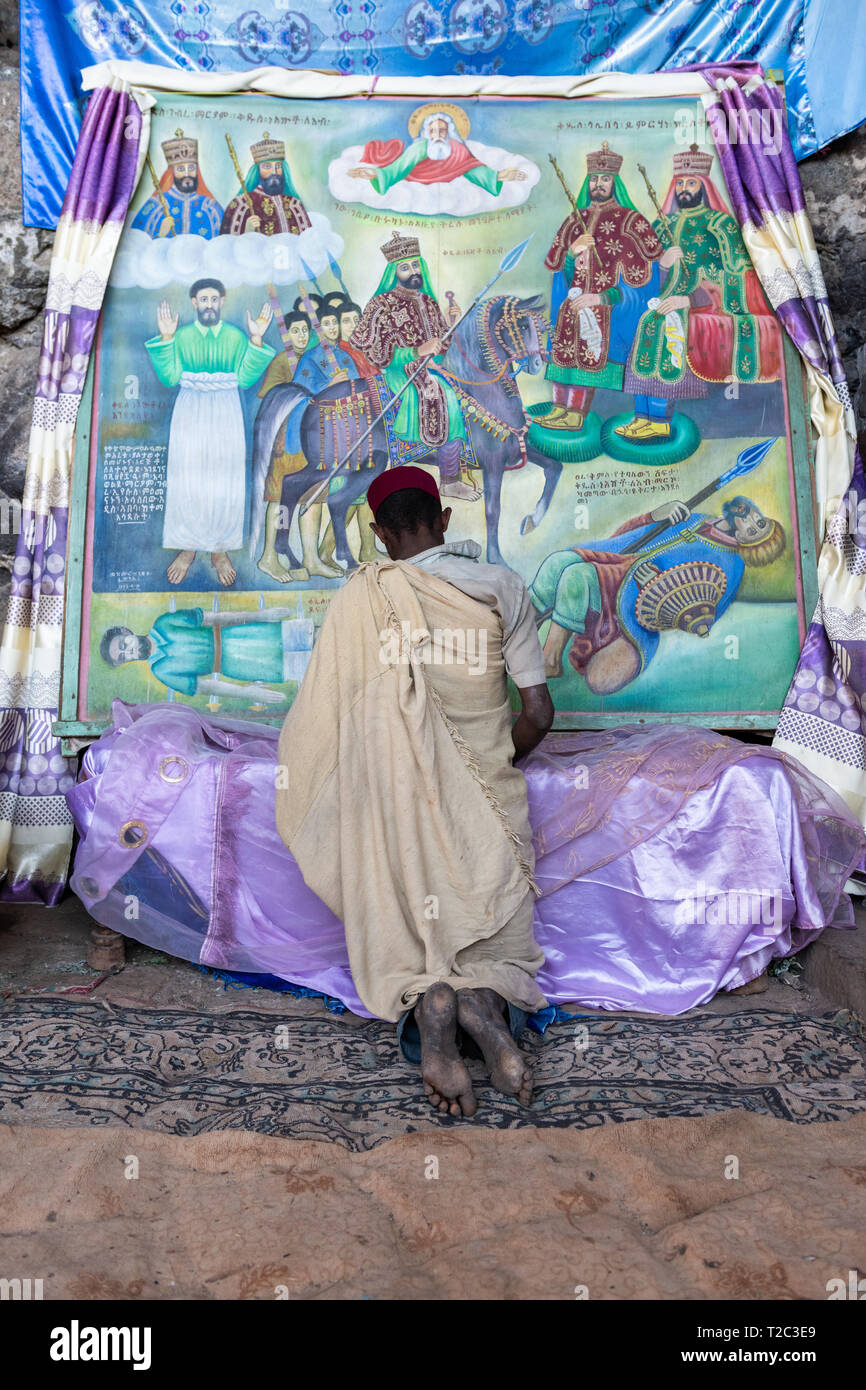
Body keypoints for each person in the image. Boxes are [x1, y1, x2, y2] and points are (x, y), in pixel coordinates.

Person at [276, 465, 554, 1117]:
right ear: (445, 519)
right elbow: (539, 712)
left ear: (378, 533)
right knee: (496, 942)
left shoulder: (357, 599)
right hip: (489, 794)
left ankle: (432, 1003)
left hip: (395, 809)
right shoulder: (499, 586)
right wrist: (483, 767)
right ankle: (484, 1014)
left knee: (414, 922)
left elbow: (324, 726)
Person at [623, 143, 781, 440]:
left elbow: (734, 273)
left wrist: (690, 299)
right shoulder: (664, 223)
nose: (684, 188)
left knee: (665, 327)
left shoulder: (719, 224)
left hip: (706, 303)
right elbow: (640, 271)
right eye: (680, 183)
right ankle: (641, 416)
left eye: (691, 183)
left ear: (704, 186)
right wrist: (662, 265)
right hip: (664, 296)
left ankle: (659, 419)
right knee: (647, 322)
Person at [144, 279, 275, 587]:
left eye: (214, 299)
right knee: (188, 477)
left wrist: (255, 340)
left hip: (226, 410)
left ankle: (219, 550)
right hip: (190, 410)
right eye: (203, 299)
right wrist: (166, 337)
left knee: (224, 479)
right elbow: (170, 377)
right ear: (194, 302)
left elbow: (244, 379)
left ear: (222, 301)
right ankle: (187, 548)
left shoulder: (234, 336)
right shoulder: (183, 336)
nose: (209, 305)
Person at [543, 142, 678, 433]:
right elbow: (561, 272)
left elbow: (642, 280)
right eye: (594, 179)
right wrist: (571, 252)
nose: (599, 184)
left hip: (610, 309)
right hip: (573, 304)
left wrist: (601, 297)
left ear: (614, 182)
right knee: (564, 344)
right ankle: (558, 408)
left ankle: (576, 413)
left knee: (588, 345)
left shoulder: (631, 221)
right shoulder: (573, 221)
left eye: (605, 179)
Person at [349, 230, 477, 499]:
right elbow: (376, 354)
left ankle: (456, 469)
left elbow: (439, 353)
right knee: (448, 398)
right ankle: (450, 480)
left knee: (464, 389)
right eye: (405, 267)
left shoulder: (428, 302)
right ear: (394, 272)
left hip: (430, 369)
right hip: (400, 373)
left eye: (416, 264)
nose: (412, 271)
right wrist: (417, 351)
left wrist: (451, 327)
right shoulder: (380, 305)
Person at [100, 602, 313, 702]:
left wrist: (260, 615)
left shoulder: (164, 623)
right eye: (123, 657)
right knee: (310, 667)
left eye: (123, 645)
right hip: (240, 666)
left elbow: (214, 618)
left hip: (245, 633)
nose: (129, 652)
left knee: (311, 635)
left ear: (126, 632)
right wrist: (248, 693)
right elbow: (206, 686)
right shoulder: (161, 671)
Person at [132, 130, 224, 239]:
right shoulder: (155, 205)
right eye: (181, 169)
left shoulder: (211, 207)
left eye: (191, 168)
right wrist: (161, 234)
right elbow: (137, 246)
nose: (187, 174)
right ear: (172, 173)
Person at [220, 135, 311, 236]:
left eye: (278, 166)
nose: (274, 172)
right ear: (257, 171)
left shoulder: (294, 205)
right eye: (267, 166)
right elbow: (227, 244)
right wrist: (247, 230)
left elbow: (308, 243)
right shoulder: (241, 205)